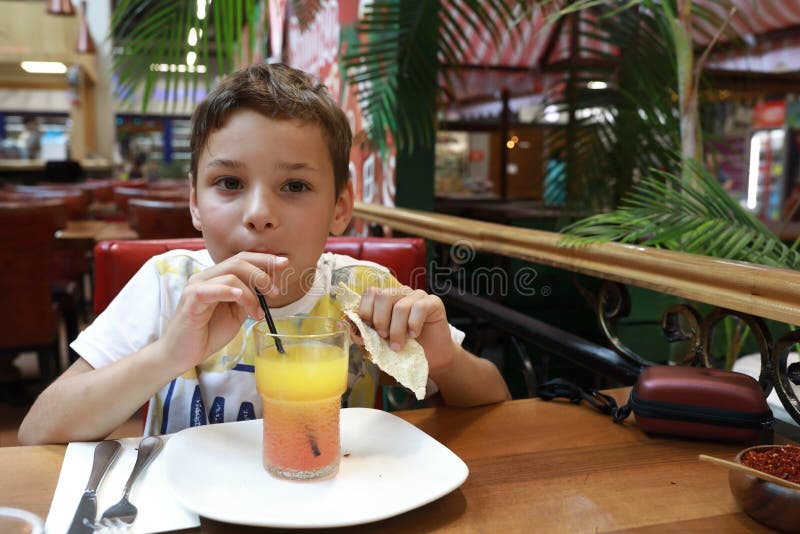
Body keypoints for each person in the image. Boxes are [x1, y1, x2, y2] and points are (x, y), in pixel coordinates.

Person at [19, 63, 509, 444]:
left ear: (340, 208)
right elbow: (39, 430)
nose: (259, 214)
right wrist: (166, 355)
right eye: (228, 183)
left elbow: (494, 402)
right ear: (194, 202)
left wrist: (445, 361)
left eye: (294, 185)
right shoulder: (167, 284)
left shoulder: (364, 290)